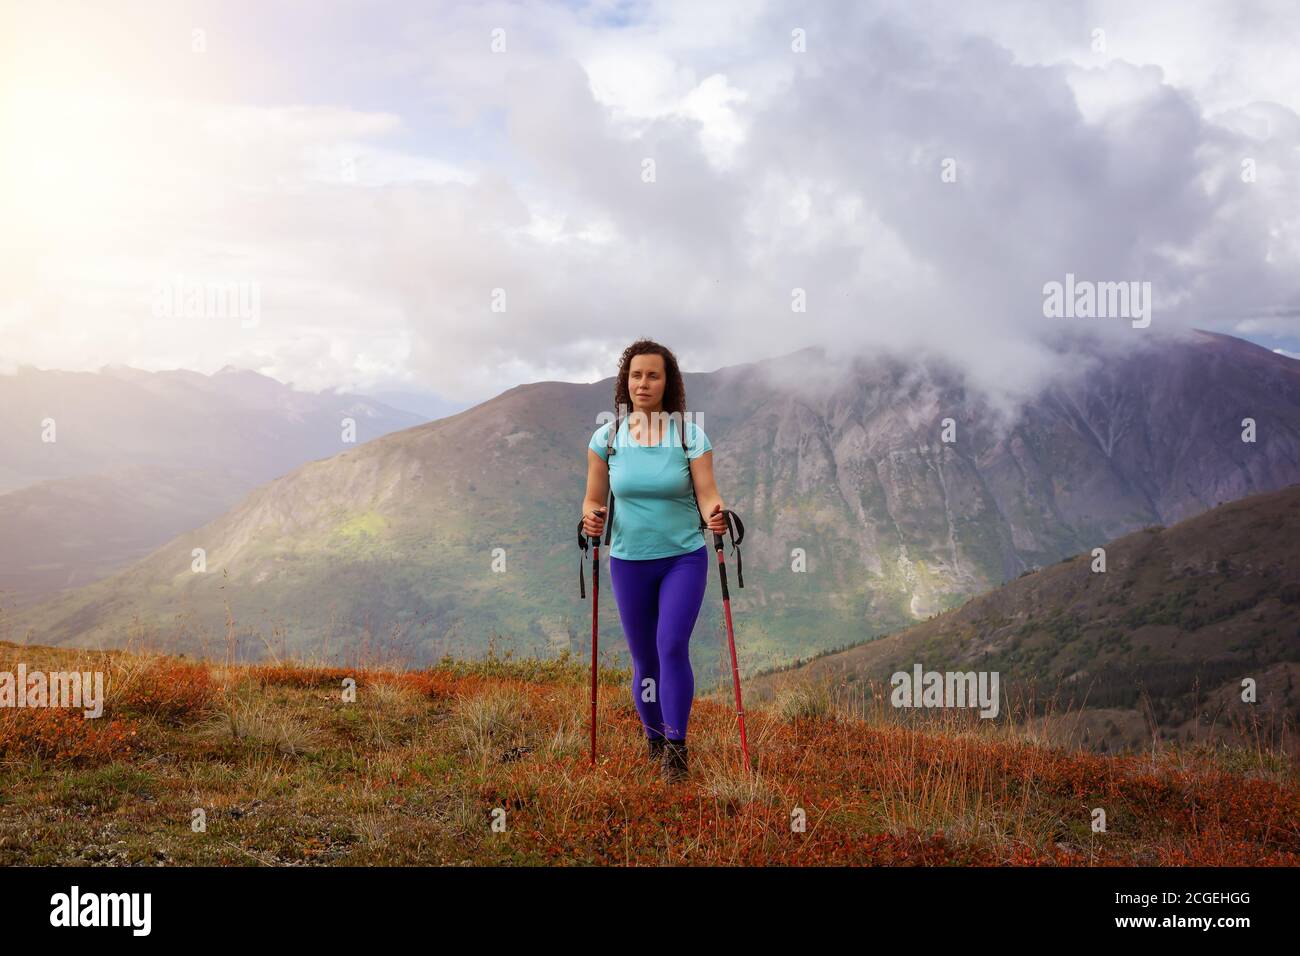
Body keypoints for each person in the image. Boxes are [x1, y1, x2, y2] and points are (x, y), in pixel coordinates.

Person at [580, 339, 728, 782]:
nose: (644, 383)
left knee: (670, 646)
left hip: (683, 557)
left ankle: (677, 751)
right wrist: (590, 519)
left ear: (669, 384)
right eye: (636, 375)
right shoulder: (606, 439)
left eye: (653, 375)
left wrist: (717, 517)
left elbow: (708, 495)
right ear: (626, 383)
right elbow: (592, 499)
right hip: (628, 562)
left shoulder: (689, 436)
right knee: (645, 659)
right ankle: (654, 742)